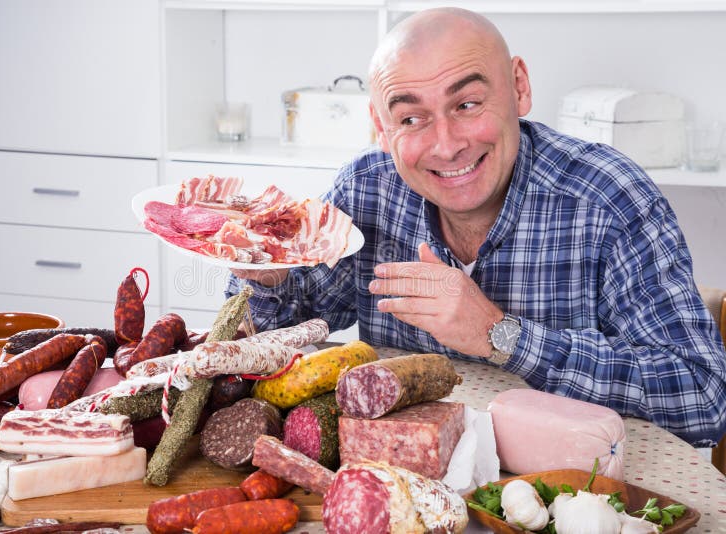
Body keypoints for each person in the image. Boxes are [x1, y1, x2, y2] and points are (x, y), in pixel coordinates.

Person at [226, 7, 726, 447]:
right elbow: (273, 339)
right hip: (404, 476)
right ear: (381, 128)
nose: (446, 146)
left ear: (519, 87)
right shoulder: (367, 190)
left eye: (466, 105)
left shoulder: (607, 198)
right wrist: (268, 273)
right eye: (410, 119)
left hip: (564, 488)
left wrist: (499, 334)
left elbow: (702, 399)